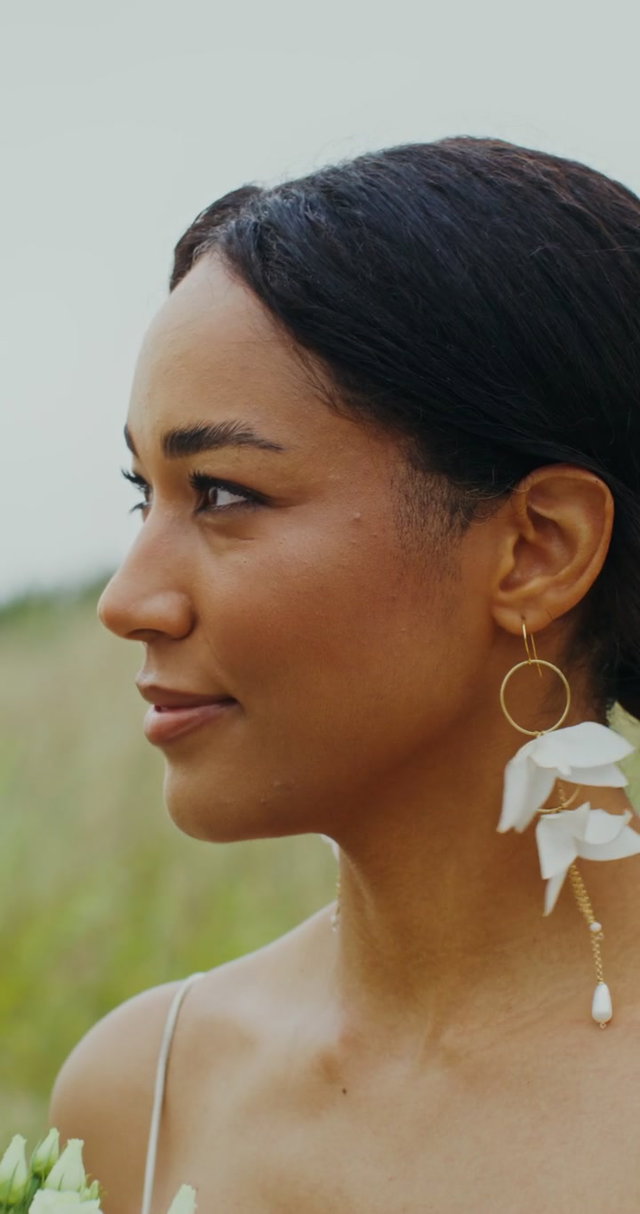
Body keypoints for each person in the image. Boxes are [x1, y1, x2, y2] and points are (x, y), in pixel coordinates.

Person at [50, 136, 640, 1212]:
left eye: (222, 492)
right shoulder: (142, 1091)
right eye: (148, 495)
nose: (128, 599)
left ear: (537, 549)